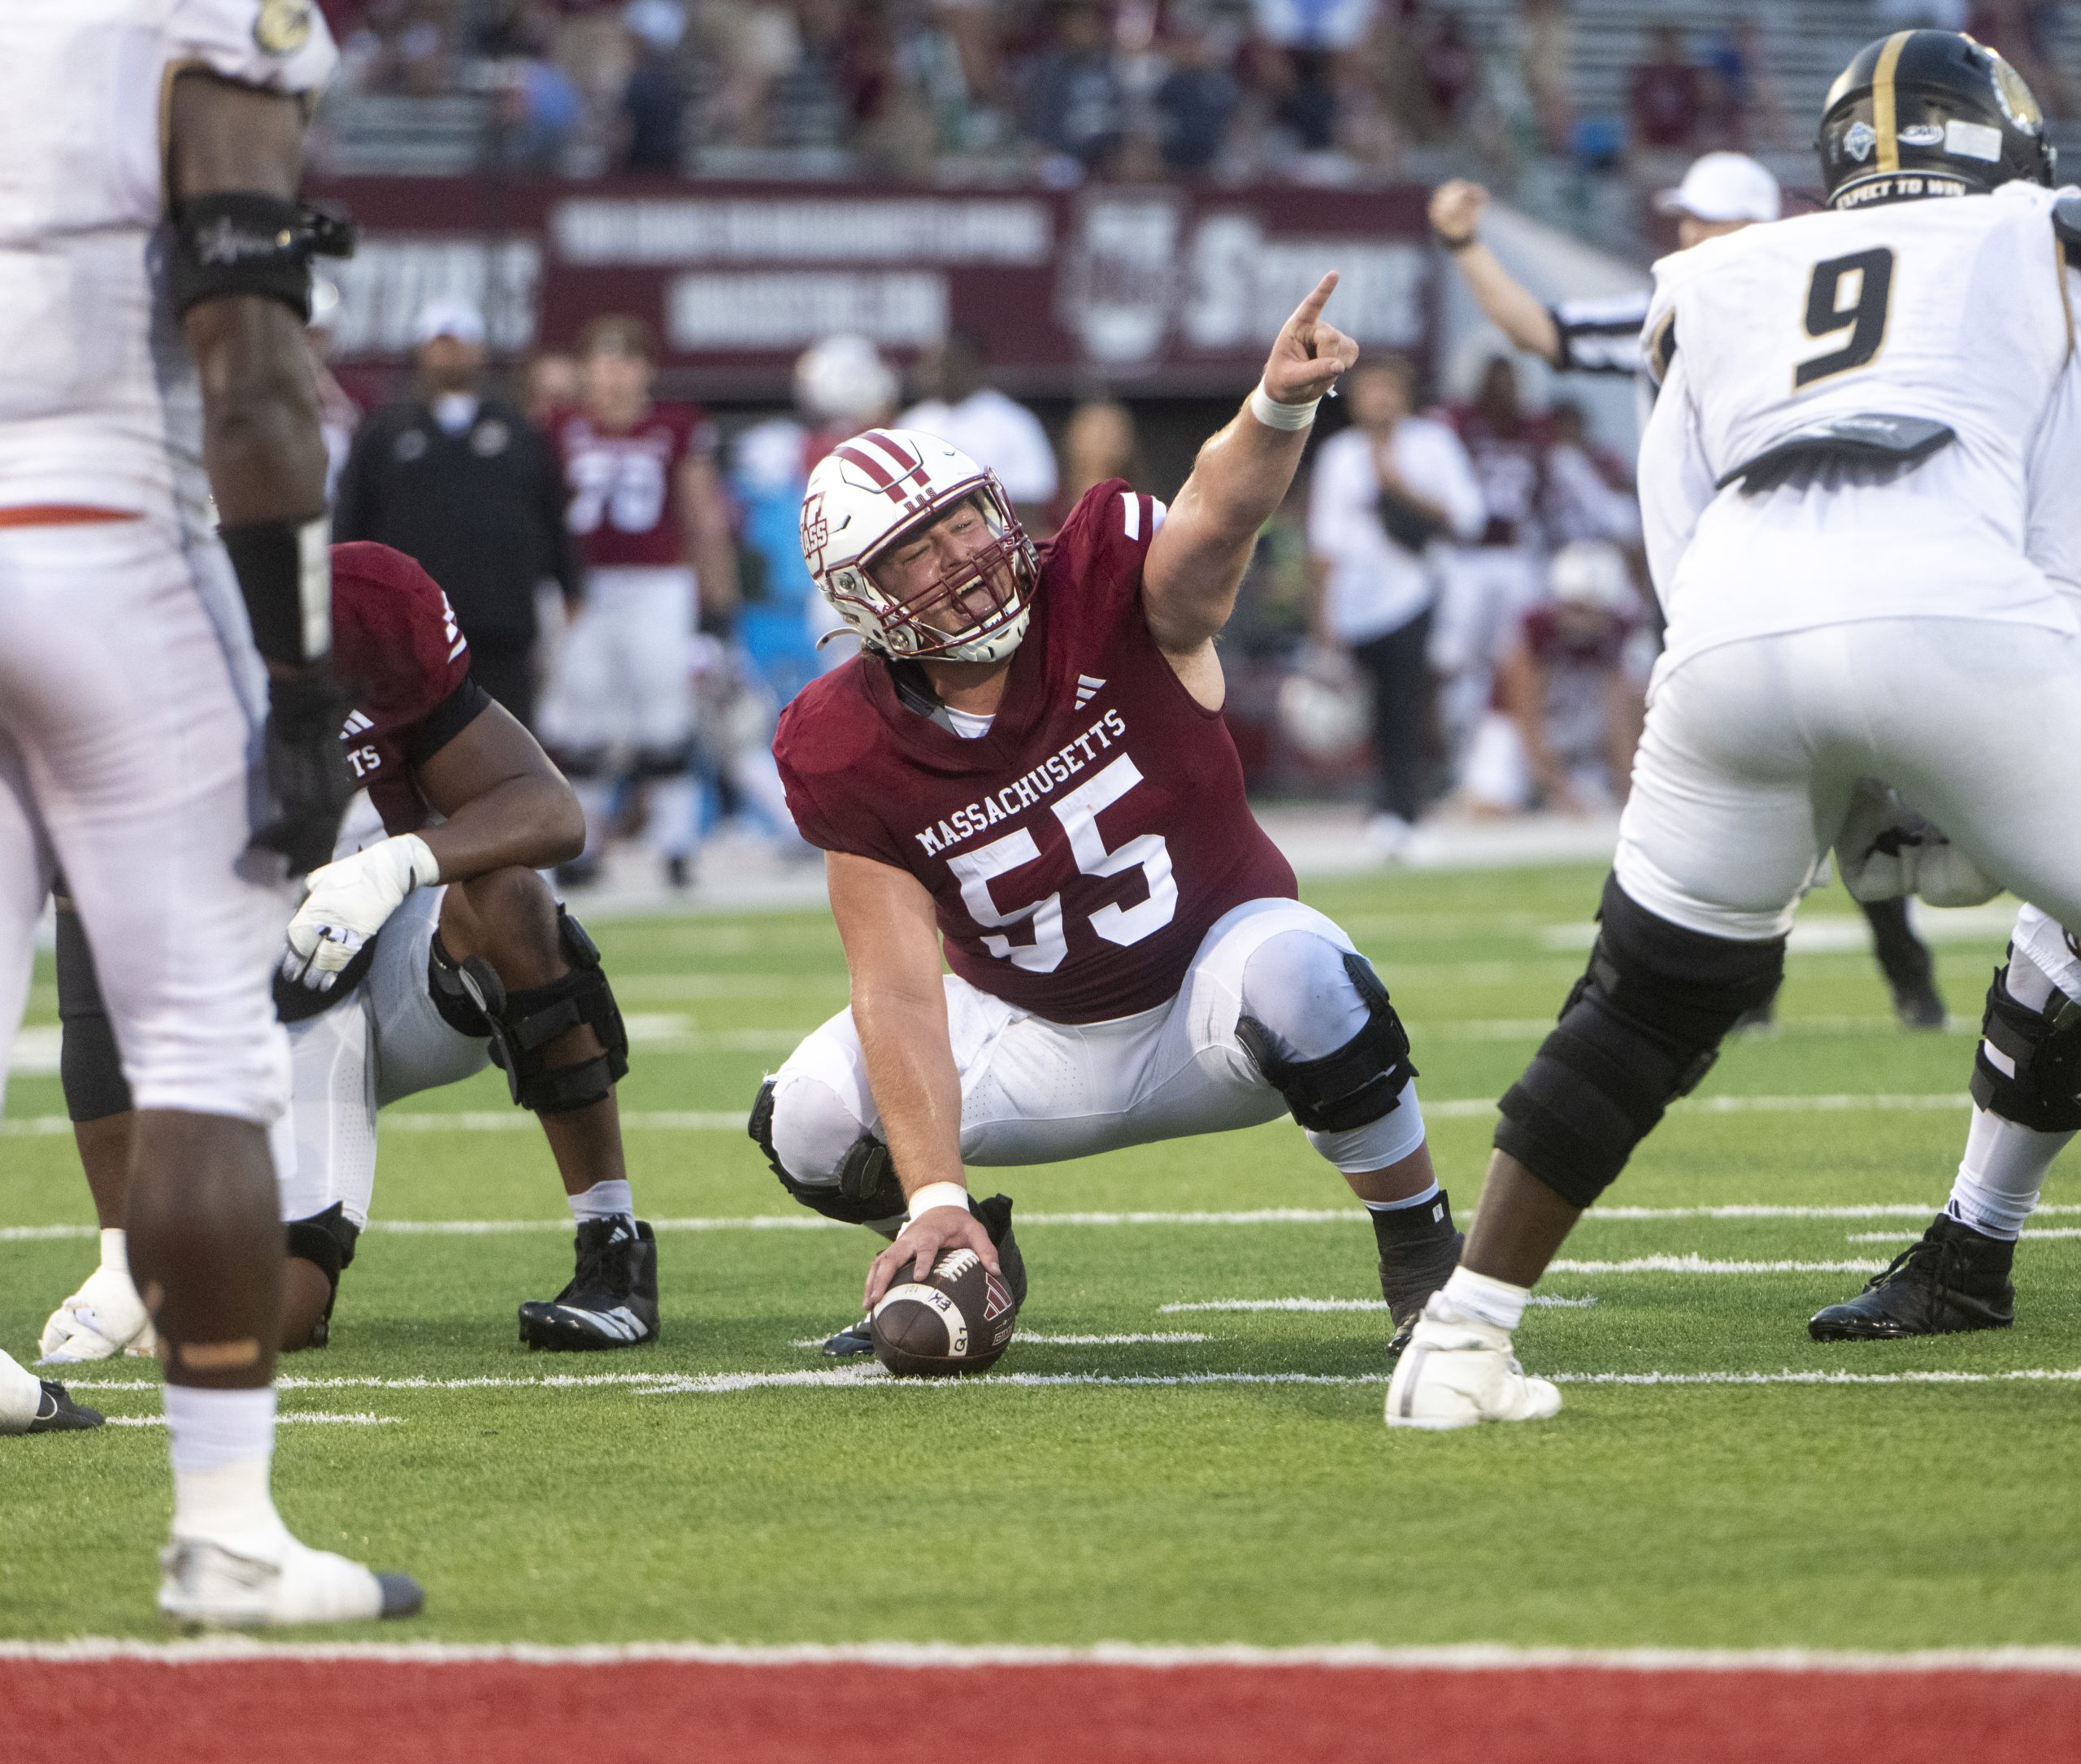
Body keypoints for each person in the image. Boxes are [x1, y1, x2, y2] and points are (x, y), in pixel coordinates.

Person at [1387, 30, 2081, 1430]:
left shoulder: (1709, 276)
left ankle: (1460, 1341)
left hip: (1731, 637)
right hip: (1966, 610)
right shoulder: (2039, 233)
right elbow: (2054, 523)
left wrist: (1830, 758)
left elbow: (1679, 540)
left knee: (1639, 1005)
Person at [753, 278, 1466, 1369]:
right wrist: (932, 1190)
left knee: (1312, 977)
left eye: (963, 523)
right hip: (1028, 1030)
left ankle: (1421, 1252)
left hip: (1208, 1001)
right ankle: (963, 1248)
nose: (961, 558)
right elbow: (895, 980)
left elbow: (1219, 518)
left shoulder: (1100, 577)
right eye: (918, 552)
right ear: (862, 600)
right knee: (804, 1117)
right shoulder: (842, 741)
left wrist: (1274, 408)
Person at [0, 0, 418, 1621]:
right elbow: (250, 380)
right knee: (204, 1062)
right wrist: (305, 682)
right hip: (106, 538)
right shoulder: (208, 28)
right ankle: (228, 1526)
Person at [37, 543, 652, 1364]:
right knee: (265, 1319)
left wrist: (398, 861)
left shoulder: (365, 602)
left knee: (510, 897)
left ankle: (611, 1243)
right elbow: (92, 993)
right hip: (258, 1018)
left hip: (398, 954)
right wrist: (121, 1247)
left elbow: (546, 807)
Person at [1430, 155, 1948, 1032]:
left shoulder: (1787, 317)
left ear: (1756, 231)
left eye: (1706, 223)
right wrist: (1465, 243)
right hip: (1721, 589)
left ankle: (1898, 975)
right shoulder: (1667, 311)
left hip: (1792, 578)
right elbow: (1535, 329)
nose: (1685, 237)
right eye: (1686, 221)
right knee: (1755, 793)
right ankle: (1767, 993)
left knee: (1840, 786)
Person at [538, 314, 741, 888]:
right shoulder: (556, 425)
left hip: (657, 583)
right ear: (584, 370)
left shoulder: (675, 425)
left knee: (664, 711)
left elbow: (702, 516)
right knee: (580, 718)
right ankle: (581, 843)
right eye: (603, 362)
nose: (614, 375)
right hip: (581, 586)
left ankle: (677, 846)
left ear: (647, 369)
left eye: (626, 361)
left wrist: (718, 603)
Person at [333, 299, 580, 732]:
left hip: (501, 620)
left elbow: (552, 516)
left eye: (460, 343)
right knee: (413, 747)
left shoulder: (518, 431)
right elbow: (354, 520)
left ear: (480, 350)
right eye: (441, 343)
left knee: (508, 742)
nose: (451, 354)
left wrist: (570, 585)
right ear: (422, 349)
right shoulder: (384, 432)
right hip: (409, 627)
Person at [1305, 354, 1486, 858]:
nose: (1380, 400)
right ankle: (1382, 807)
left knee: (1407, 705)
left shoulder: (1433, 445)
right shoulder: (1339, 455)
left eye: (1389, 390)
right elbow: (1324, 545)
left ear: (1404, 397)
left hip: (1411, 592)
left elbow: (1470, 517)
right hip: (1354, 605)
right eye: (1370, 391)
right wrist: (1322, 624)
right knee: (1367, 713)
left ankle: (1408, 811)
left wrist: (1399, 488)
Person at [1460, 540, 1644, 817]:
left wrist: (1629, 780)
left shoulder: (1617, 633)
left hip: (1577, 726)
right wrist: (1556, 784)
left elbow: (1618, 715)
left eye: (1590, 609)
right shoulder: (1534, 630)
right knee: (1491, 805)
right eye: (1576, 607)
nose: (1582, 620)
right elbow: (1525, 713)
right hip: (1518, 727)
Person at [900, 328, 1059, 534]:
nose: (936, 374)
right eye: (931, 366)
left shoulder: (1014, 422)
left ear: (971, 366)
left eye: (946, 365)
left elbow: (1030, 503)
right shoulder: (911, 423)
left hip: (995, 544)